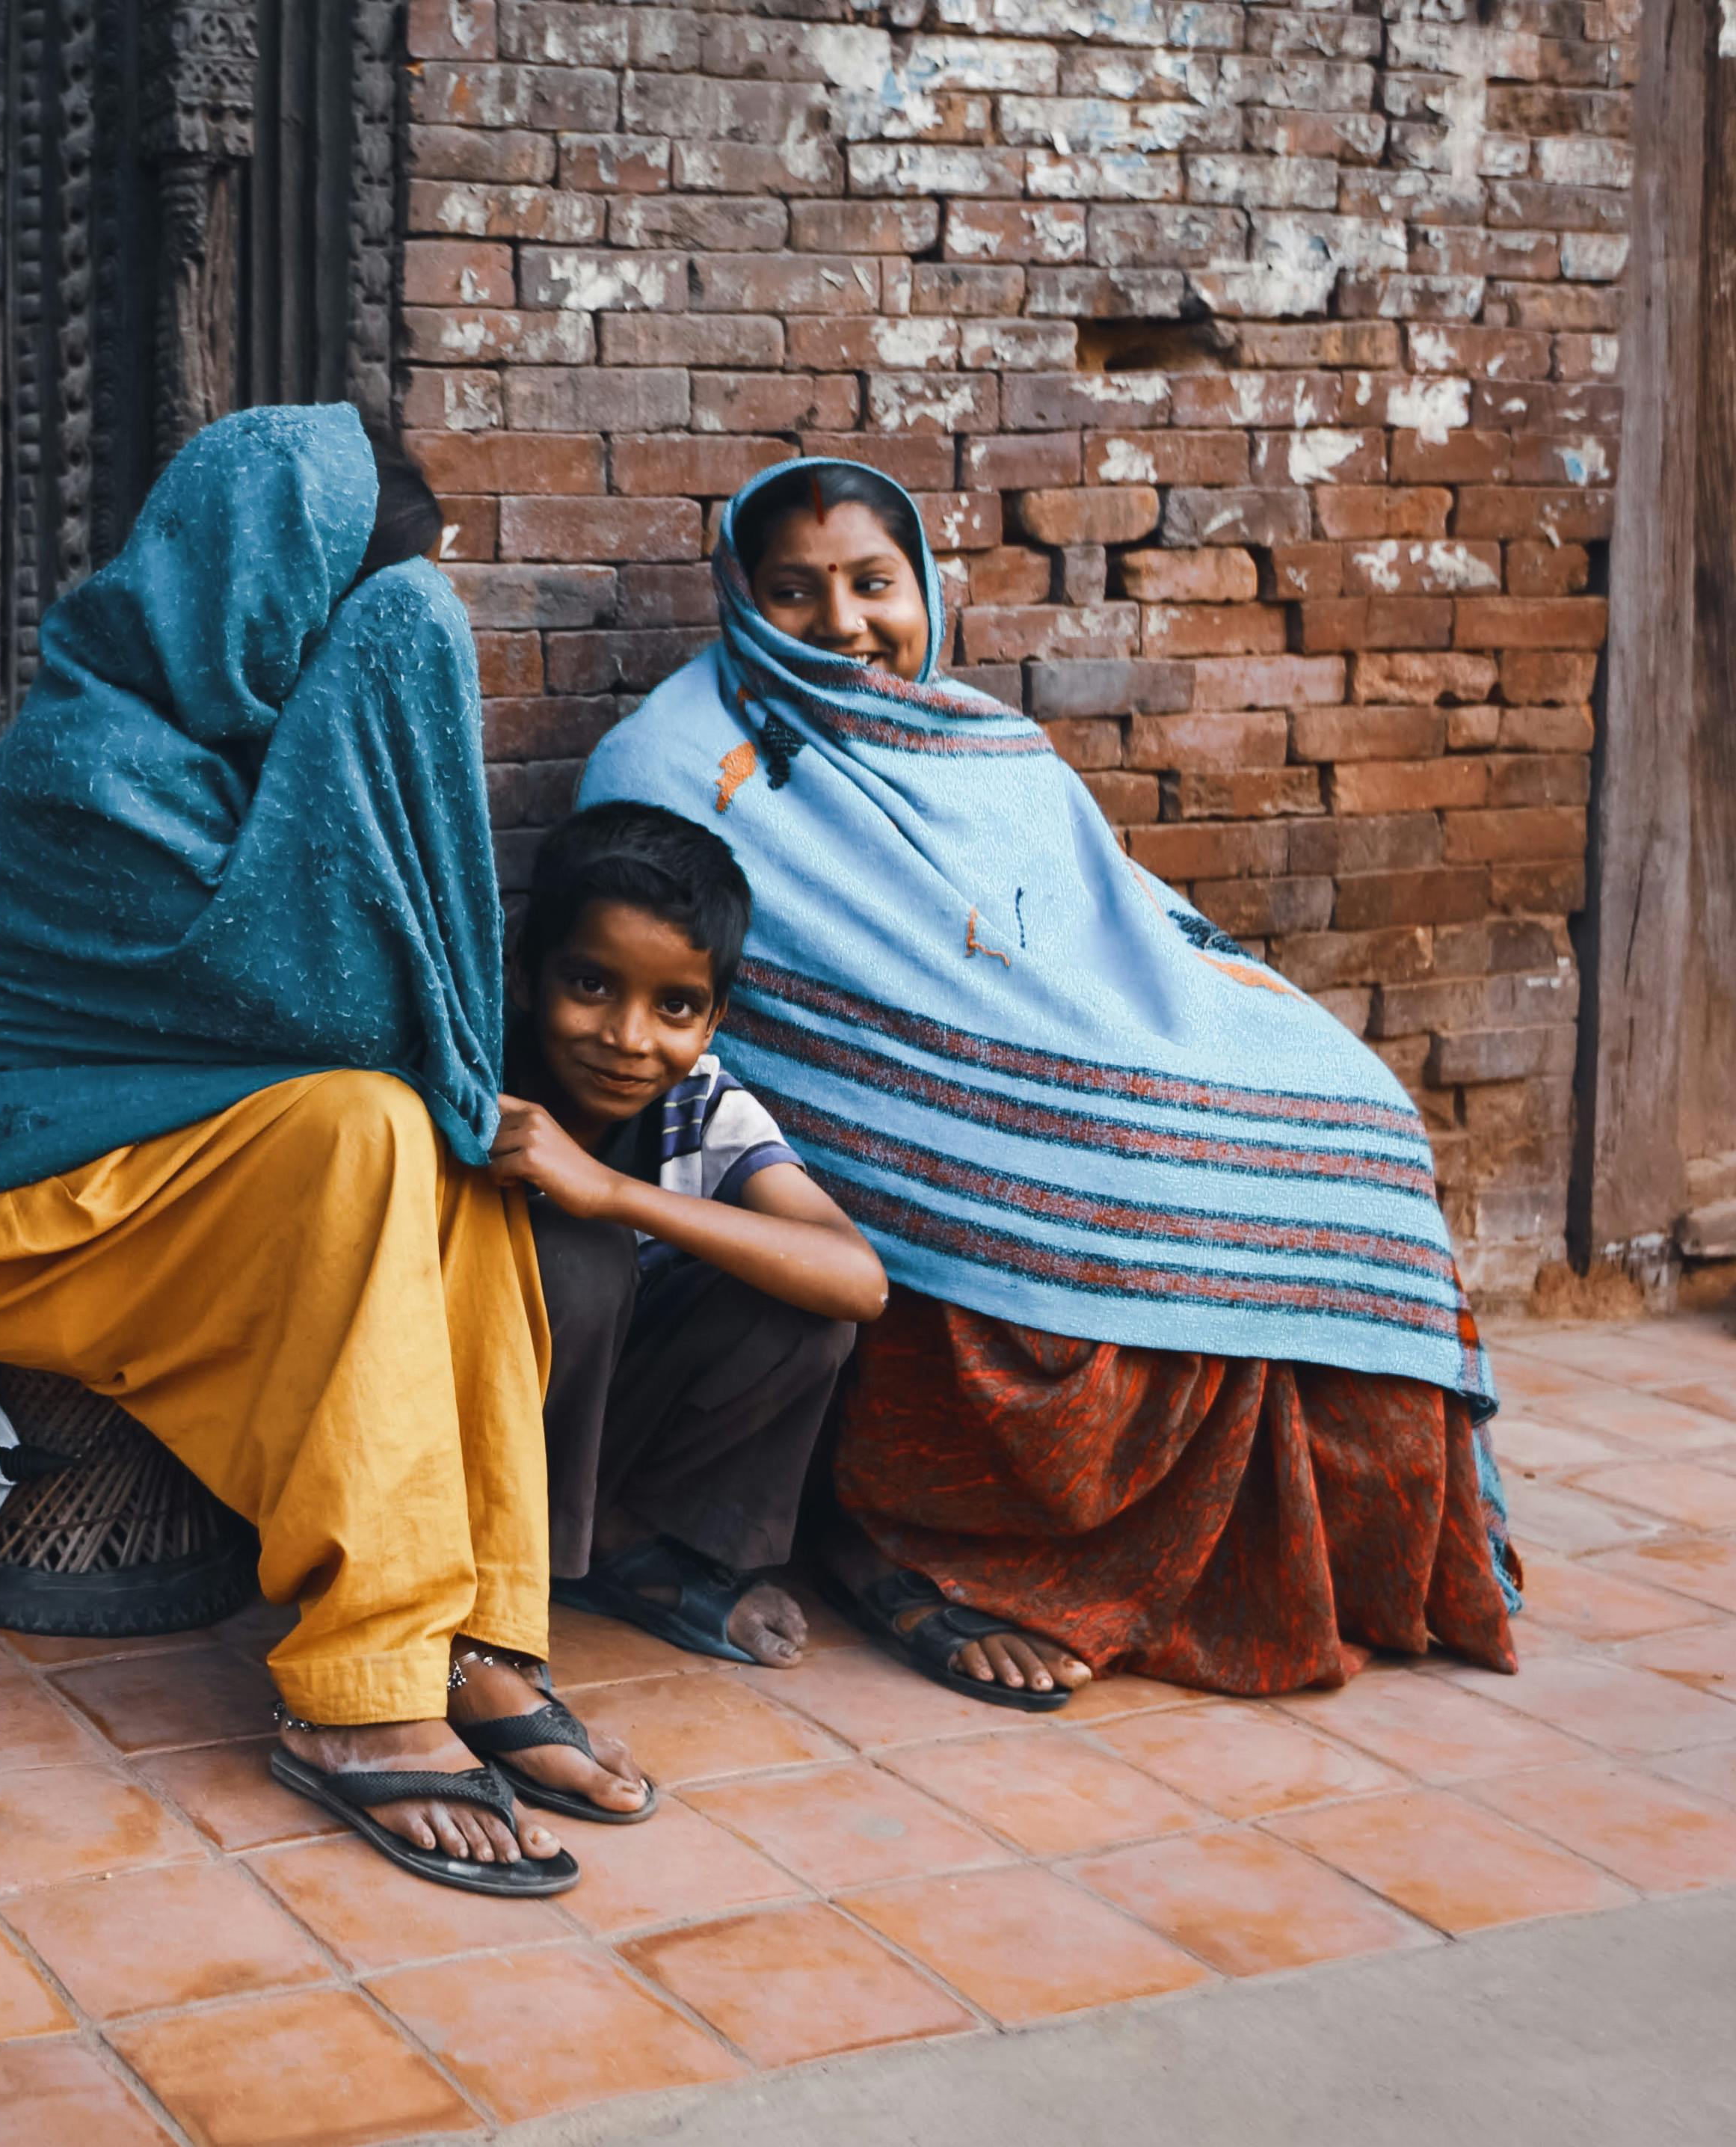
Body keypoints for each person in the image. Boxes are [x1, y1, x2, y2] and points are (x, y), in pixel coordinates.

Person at [0, 405, 647, 1895]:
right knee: (367, 1124)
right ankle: (358, 1690)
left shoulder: (265, 765)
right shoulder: (91, 756)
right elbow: (327, 1005)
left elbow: (396, 1034)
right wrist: (391, 672)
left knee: (440, 1145)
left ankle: (479, 1632)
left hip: (146, 1177)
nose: (395, 643)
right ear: (277, 593)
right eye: (376, 605)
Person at [576, 458, 1521, 1708]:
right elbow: (769, 1004)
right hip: (906, 1113)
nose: (843, 623)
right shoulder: (675, 759)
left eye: (873, 583)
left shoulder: (984, 738)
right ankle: (931, 1549)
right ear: (740, 602)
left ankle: (1353, 1562)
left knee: (1358, 1122)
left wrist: (1206, 1025)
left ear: (925, 589)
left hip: (1088, 1034)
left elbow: (1107, 913)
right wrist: (1062, 1080)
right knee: (1116, 1157)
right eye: (792, 591)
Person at [484, 802, 887, 1671]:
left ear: (711, 1023)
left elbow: (858, 1281)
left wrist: (612, 1192)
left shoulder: (698, 1104)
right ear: (525, 975)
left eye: (673, 1006)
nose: (628, 1039)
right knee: (577, 1257)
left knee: (803, 1312)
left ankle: (626, 1547)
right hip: (469, 1449)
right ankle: (516, 1579)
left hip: (605, 1436)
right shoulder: (482, 1077)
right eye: (590, 986)